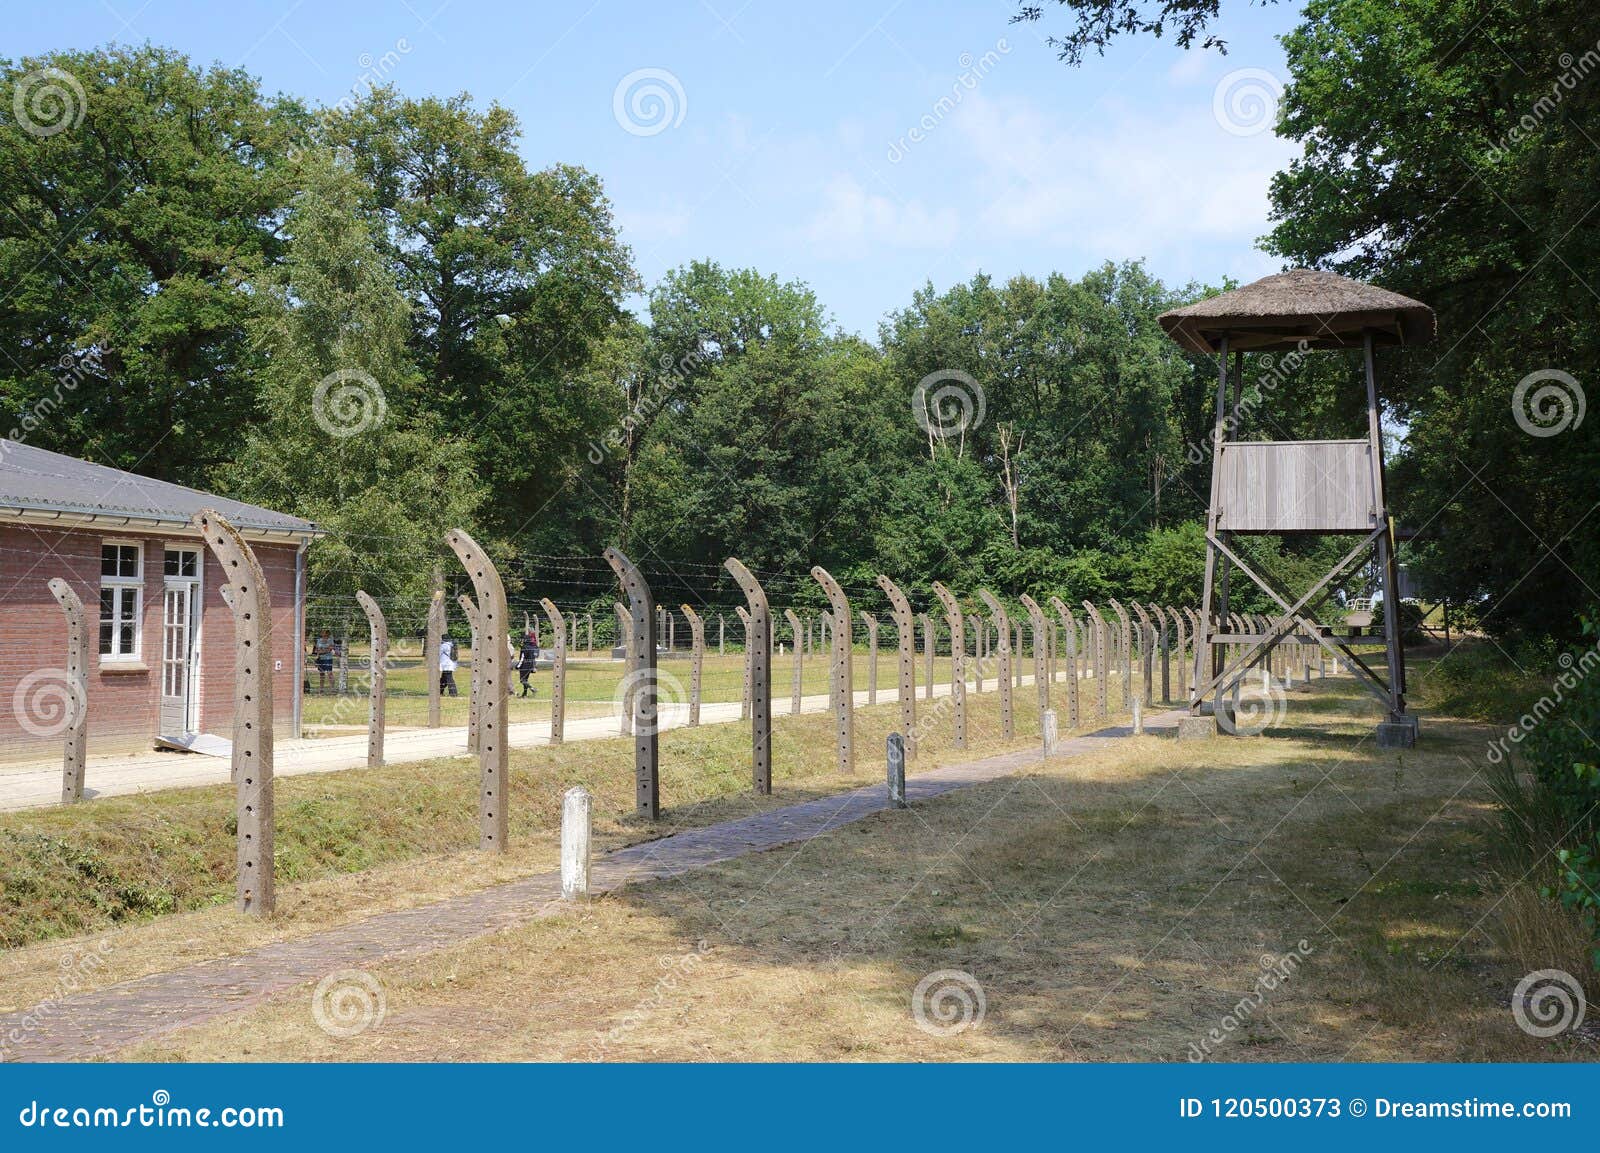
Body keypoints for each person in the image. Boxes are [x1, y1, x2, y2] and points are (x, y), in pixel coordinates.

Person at [516, 630, 540, 698]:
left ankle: (532, 688)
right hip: (530, 665)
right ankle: (524, 694)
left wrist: (518, 666)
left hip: (524, 665)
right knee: (525, 680)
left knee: (522, 680)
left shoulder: (524, 647)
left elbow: (522, 658)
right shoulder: (532, 647)